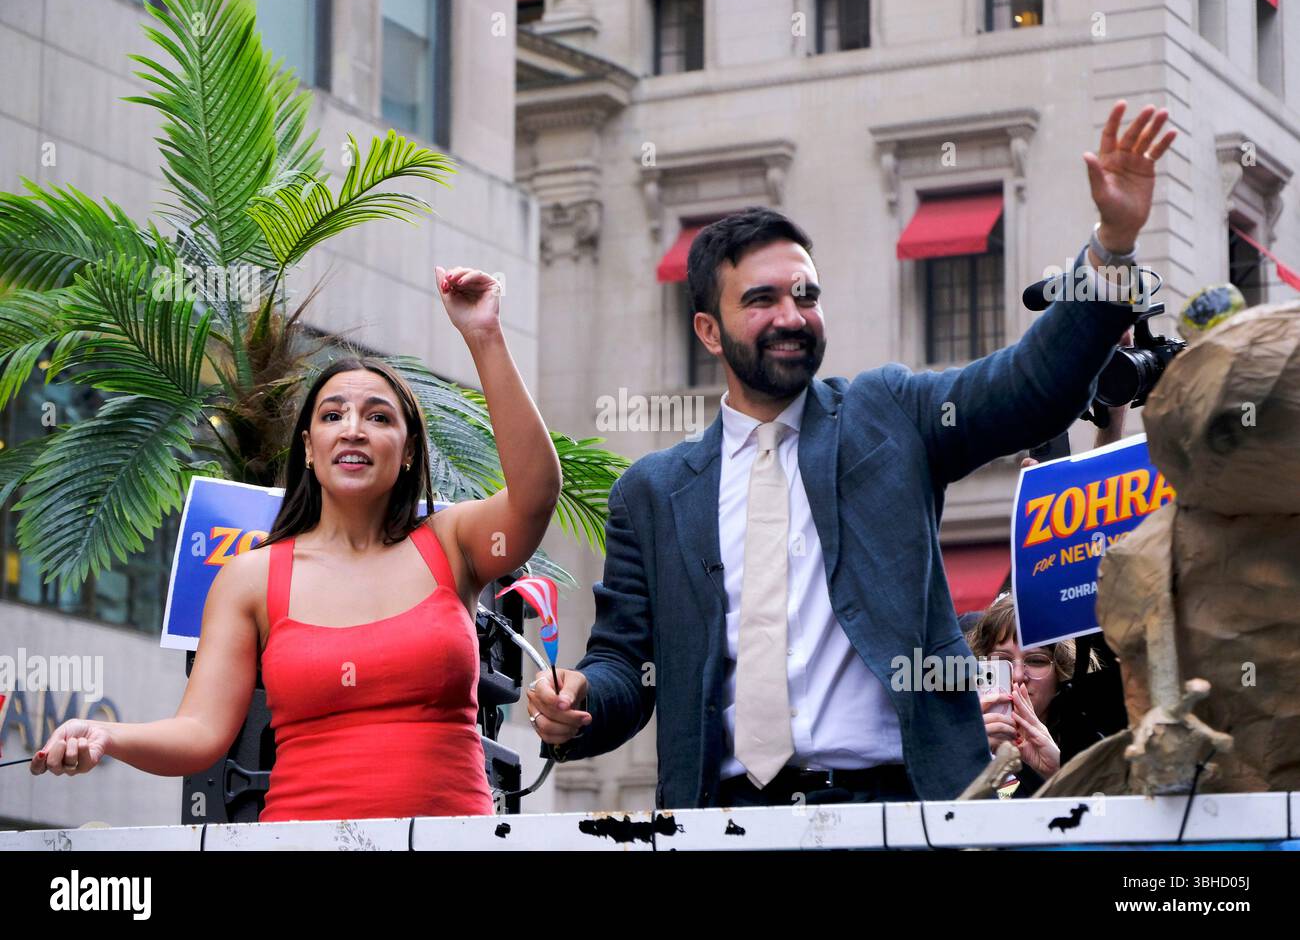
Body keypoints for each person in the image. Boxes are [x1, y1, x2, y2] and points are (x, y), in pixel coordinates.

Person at [526, 100, 1177, 810]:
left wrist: (1111, 247)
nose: (791, 315)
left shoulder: (889, 414)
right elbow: (625, 664)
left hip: (899, 810)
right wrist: (579, 700)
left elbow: (1028, 388)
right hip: (728, 821)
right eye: (763, 299)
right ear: (710, 332)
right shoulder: (653, 493)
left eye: (806, 294)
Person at [29, 266, 562, 822]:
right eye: (333, 416)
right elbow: (200, 733)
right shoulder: (250, 577)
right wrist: (106, 735)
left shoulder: (453, 542)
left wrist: (484, 336)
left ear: (407, 452)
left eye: (378, 417)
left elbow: (535, 495)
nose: (353, 429)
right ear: (310, 446)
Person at [966, 593, 1110, 798]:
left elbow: (1108, 820)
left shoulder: (1092, 748)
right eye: (1001, 661)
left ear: (1061, 672)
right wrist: (968, 754)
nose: (1017, 676)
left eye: (1036, 661)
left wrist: (1056, 772)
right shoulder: (956, 742)